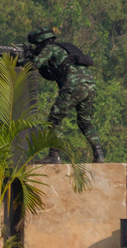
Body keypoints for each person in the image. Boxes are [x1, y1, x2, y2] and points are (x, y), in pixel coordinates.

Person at [20, 28, 103, 164]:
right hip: (90, 87)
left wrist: (26, 59)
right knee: (85, 122)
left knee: (54, 119)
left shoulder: (50, 49)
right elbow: (51, 75)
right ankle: (99, 154)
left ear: (41, 43)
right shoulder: (67, 49)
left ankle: (54, 155)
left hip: (74, 87)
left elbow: (33, 65)